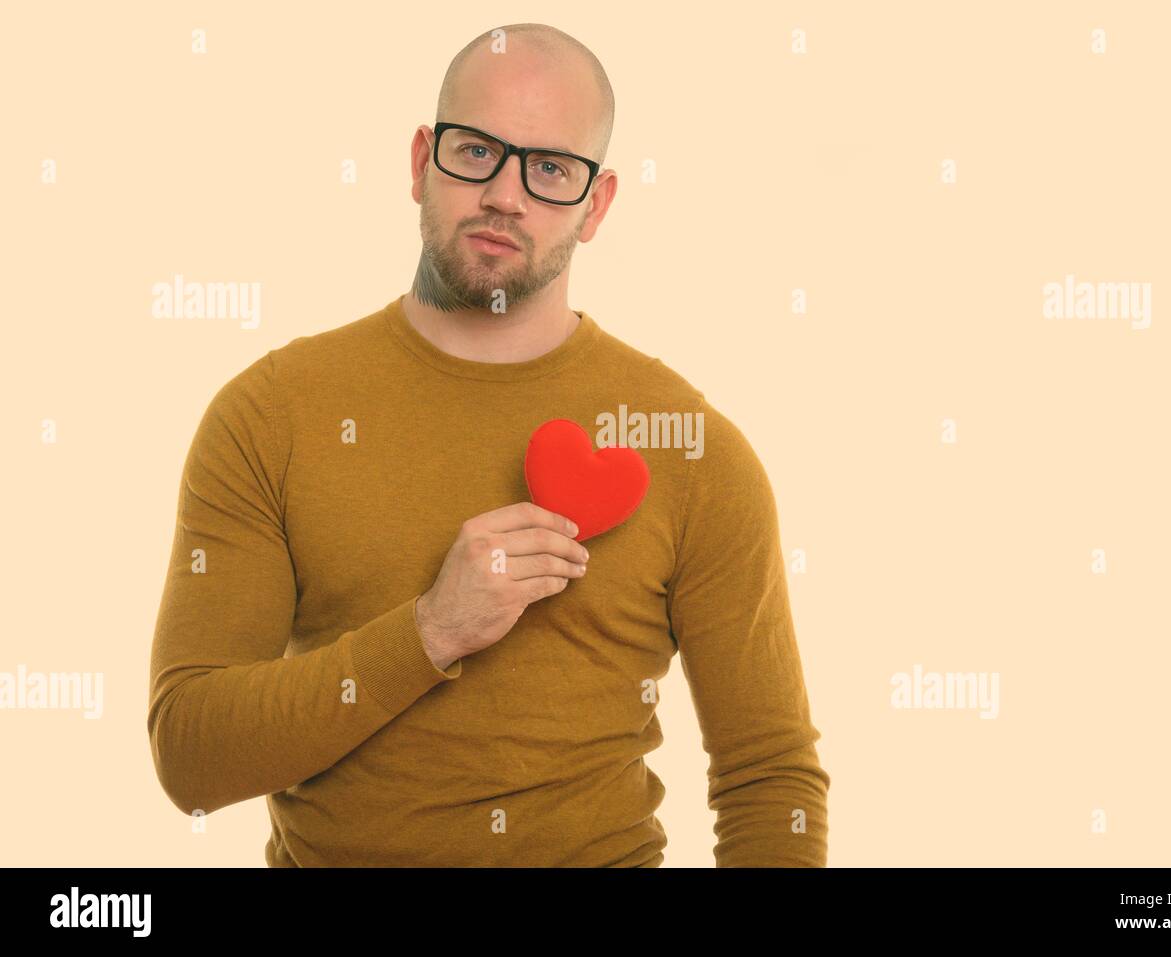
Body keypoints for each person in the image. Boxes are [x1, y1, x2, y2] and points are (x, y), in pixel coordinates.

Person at [147, 22, 829, 867]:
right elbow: (190, 757)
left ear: (597, 204)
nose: (506, 194)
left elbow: (769, 776)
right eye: (476, 150)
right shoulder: (269, 414)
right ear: (420, 163)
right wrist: (431, 631)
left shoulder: (690, 447)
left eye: (549, 168)